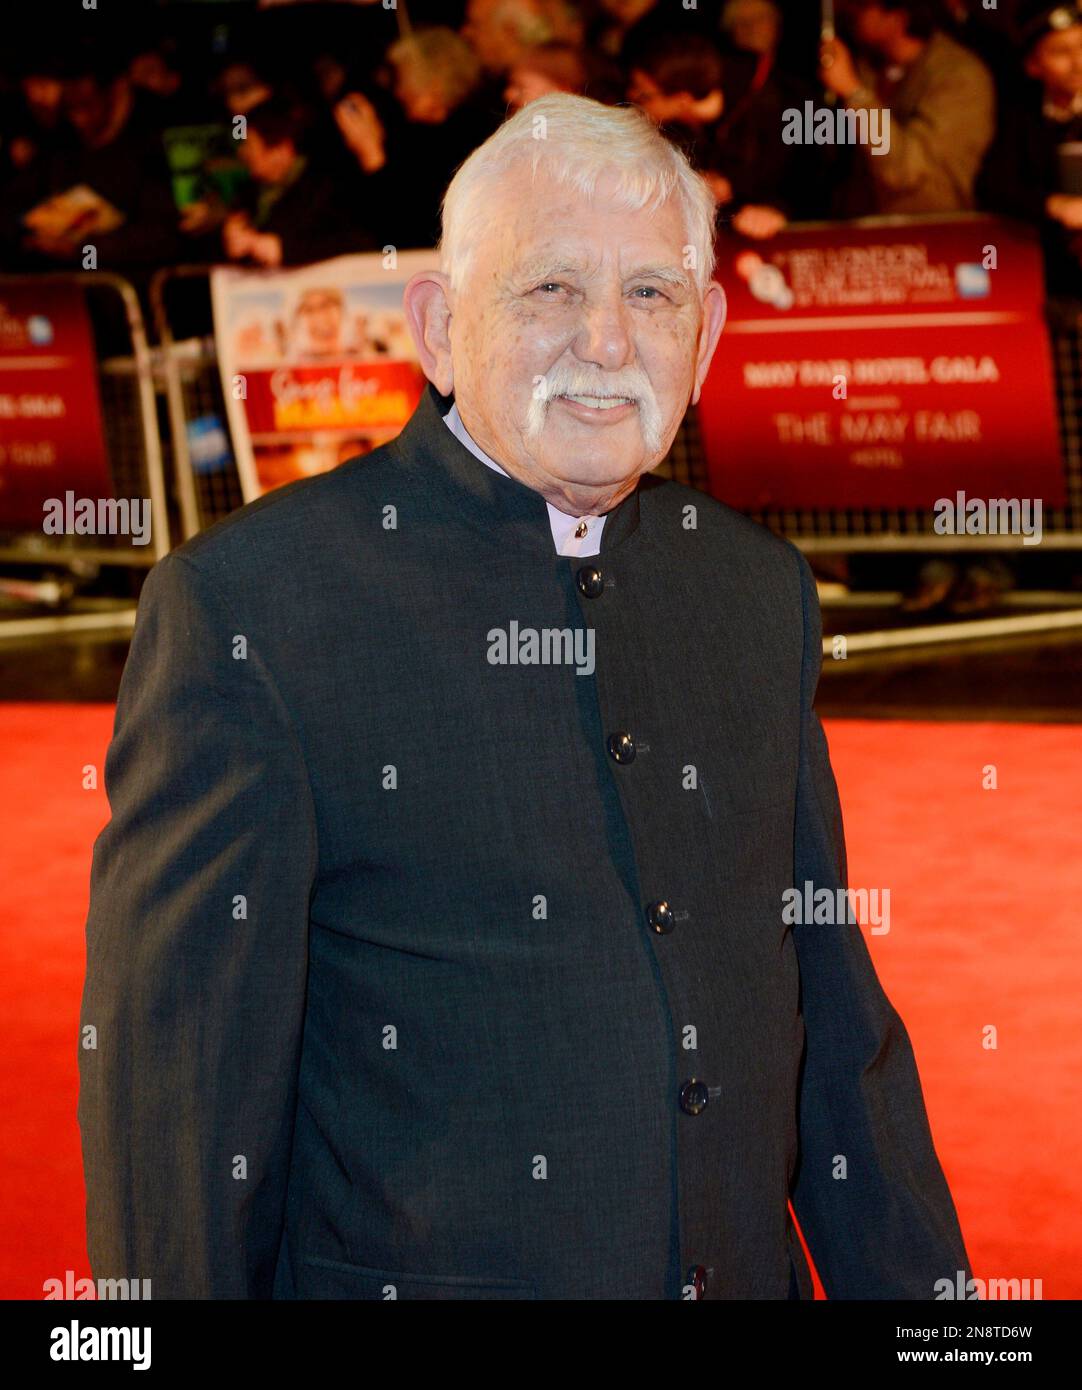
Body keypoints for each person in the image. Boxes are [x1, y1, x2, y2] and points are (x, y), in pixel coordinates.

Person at [78, 92, 972, 1301]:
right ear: (441, 328)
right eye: (550, 287)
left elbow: (830, 1020)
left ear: (705, 336)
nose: (606, 340)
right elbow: (177, 1104)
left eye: (650, 294)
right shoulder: (254, 610)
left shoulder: (755, 591)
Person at [820, 0, 996, 217]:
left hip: (932, 233)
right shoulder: (872, 67)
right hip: (867, 232)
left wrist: (853, 93)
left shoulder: (959, 77)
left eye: (864, 6)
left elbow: (905, 169)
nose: (850, 12)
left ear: (898, 18)